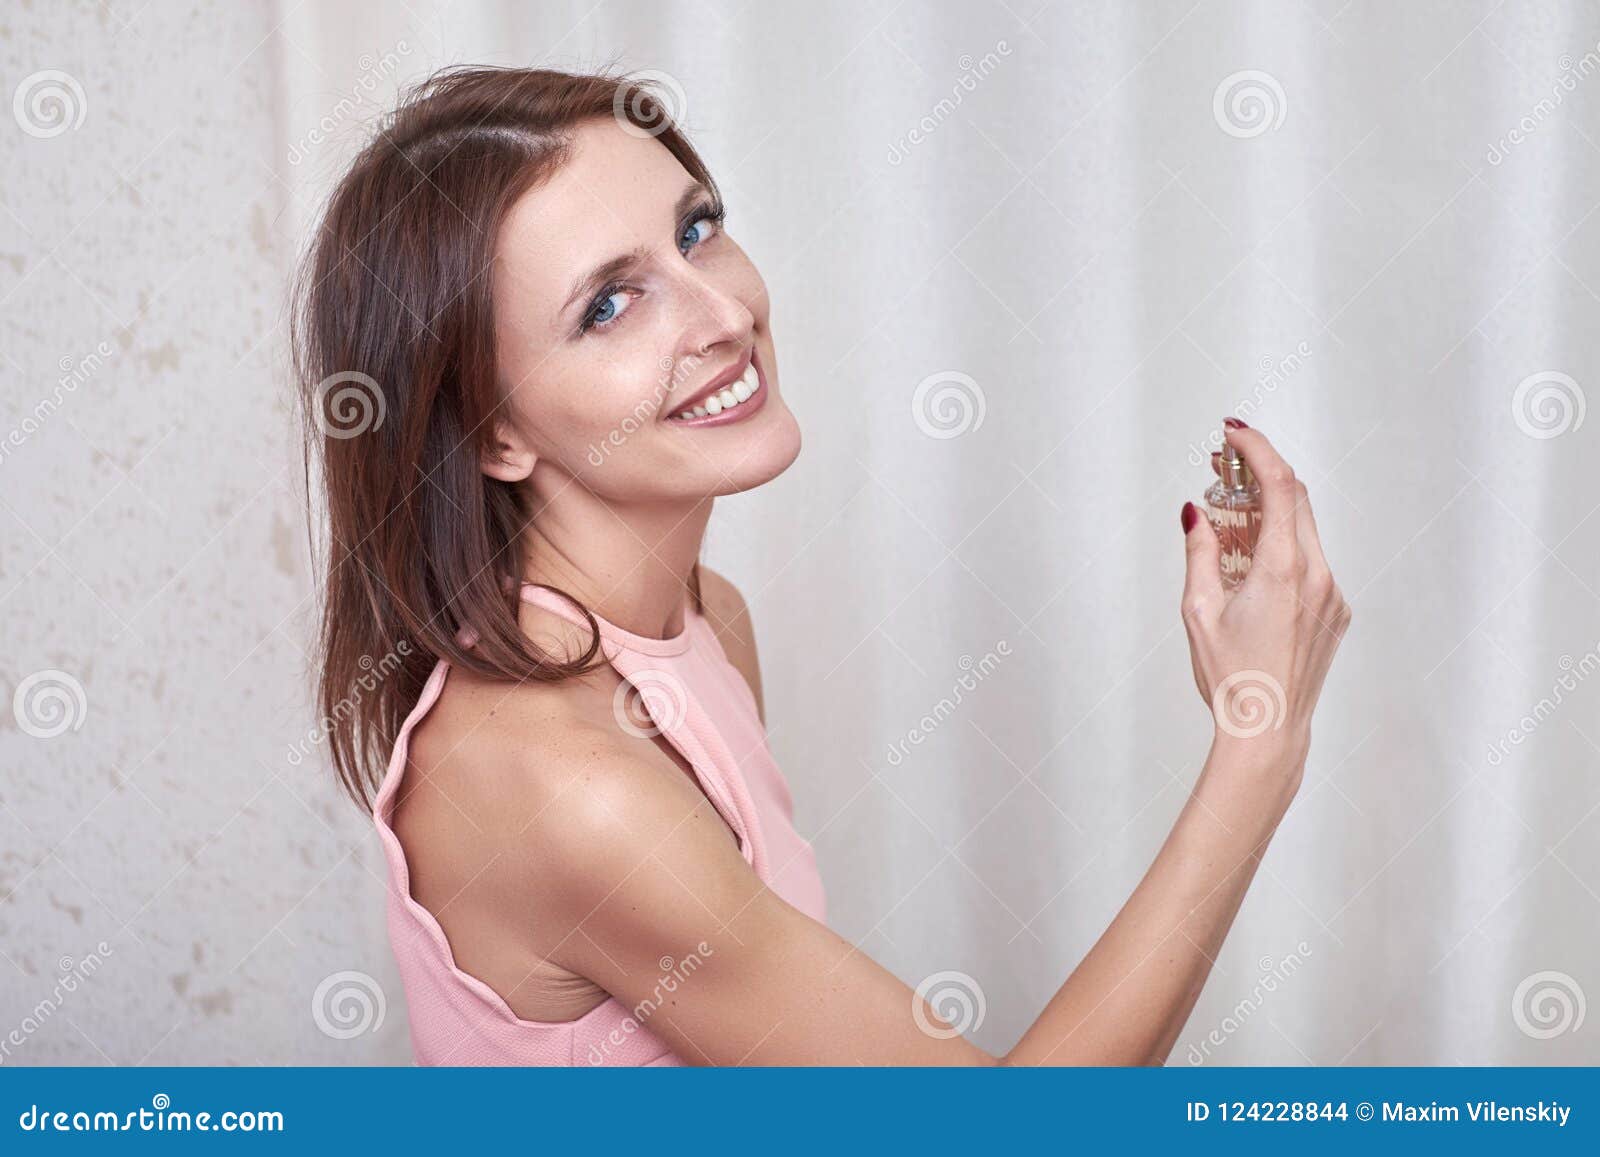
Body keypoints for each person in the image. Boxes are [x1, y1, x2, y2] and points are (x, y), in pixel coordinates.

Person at [292, 65, 1352, 1065]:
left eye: (696, 232)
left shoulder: (705, 621)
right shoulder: (566, 787)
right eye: (608, 305)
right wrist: (1260, 741)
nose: (723, 314)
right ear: (492, 433)